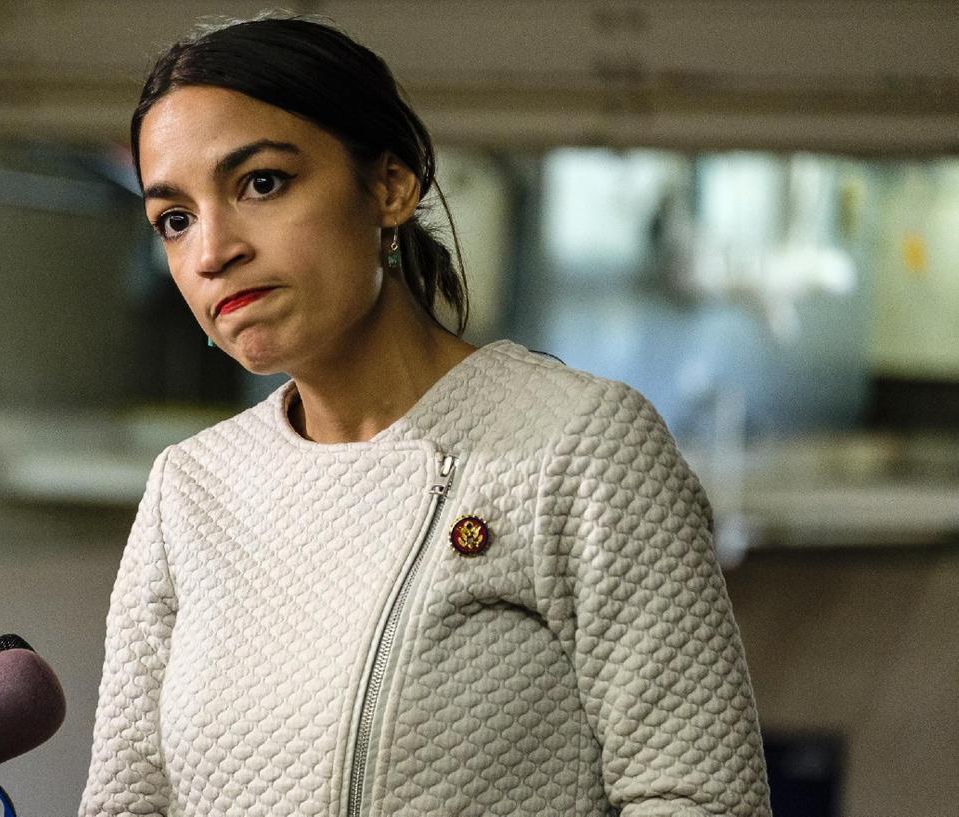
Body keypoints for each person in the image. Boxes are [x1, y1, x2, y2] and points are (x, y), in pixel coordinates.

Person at [80, 14, 771, 817]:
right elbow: (126, 802)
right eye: (176, 218)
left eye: (261, 183)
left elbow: (699, 798)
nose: (212, 250)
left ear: (391, 186)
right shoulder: (187, 491)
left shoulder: (579, 447)